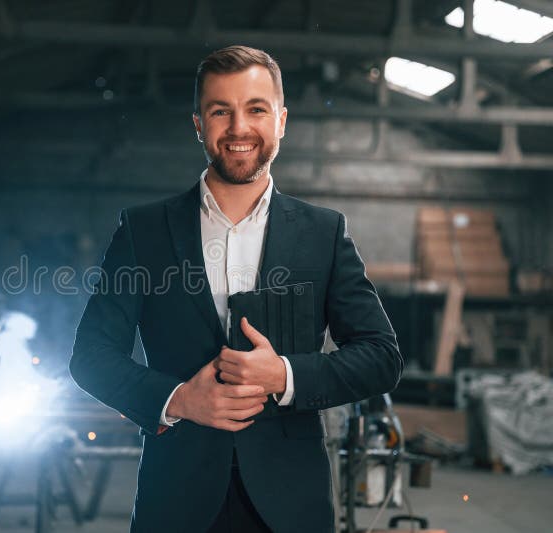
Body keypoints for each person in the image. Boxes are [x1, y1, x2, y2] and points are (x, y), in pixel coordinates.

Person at [69, 45, 403, 532]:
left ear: (281, 121)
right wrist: (178, 398)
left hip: (290, 506)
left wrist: (285, 376)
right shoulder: (144, 231)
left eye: (256, 109)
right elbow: (91, 356)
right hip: (176, 501)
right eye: (220, 111)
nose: (239, 128)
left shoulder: (323, 233)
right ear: (198, 124)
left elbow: (381, 357)